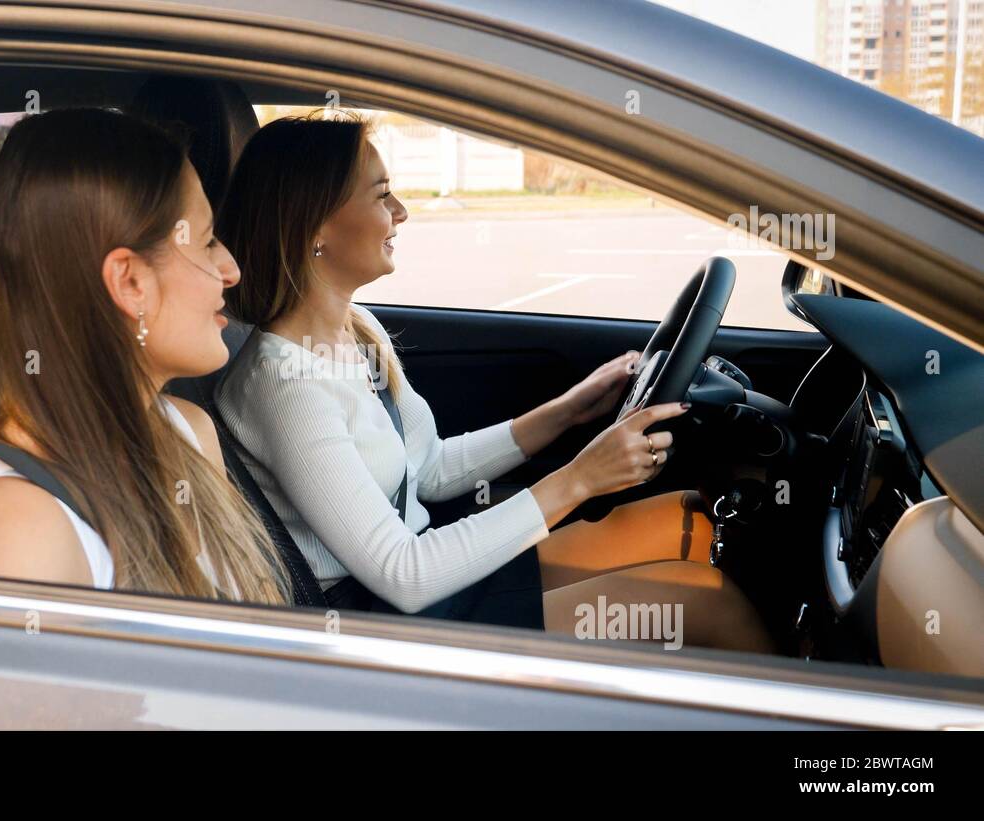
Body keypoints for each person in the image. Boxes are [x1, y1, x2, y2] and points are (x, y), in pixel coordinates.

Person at [214, 113, 772, 652]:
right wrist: (580, 479)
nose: (401, 212)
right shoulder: (283, 384)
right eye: (381, 195)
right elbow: (403, 574)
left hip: (442, 580)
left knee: (688, 519)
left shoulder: (359, 329)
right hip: (394, 623)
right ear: (316, 227)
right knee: (705, 604)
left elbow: (427, 468)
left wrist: (569, 410)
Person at [0, 108, 290, 605]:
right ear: (130, 283)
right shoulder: (22, 525)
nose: (230, 269)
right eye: (207, 242)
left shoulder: (187, 429)